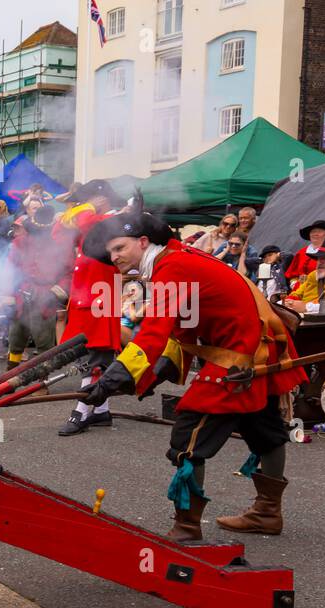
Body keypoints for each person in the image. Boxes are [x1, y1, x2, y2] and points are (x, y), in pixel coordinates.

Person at [80, 211, 306, 539]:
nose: (114, 258)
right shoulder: (175, 257)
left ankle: (186, 526)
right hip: (254, 344)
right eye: (110, 253)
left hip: (242, 353)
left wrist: (116, 376)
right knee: (265, 430)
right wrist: (152, 373)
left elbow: (153, 331)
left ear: (143, 242)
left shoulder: (172, 267)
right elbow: (180, 326)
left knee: (187, 439)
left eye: (119, 248)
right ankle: (268, 514)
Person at [54, 180, 123, 435]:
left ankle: (81, 413)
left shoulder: (112, 219)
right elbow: (57, 232)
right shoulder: (93, 217)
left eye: (88, 198)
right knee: (87, 356)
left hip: (101, 298)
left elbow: (85, 222)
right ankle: (102, 410)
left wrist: (80, 210)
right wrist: (67, 216)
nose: (82, 203)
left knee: (96, 357)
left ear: (101, 199)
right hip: (85, 297)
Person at [6, 205, 66, 367]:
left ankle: (42, 382)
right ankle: (10, 374)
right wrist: (8, 294)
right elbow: (10, 269)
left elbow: (67, 272)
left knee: (44, 340)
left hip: (46, 295)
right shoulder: (20, 243)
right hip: (21, 292)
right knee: (16, 337)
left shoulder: (59, 247)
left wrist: (56, 292)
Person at [283, 236, 325, 317]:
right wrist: (289, 302)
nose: (319, 262)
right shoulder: (313, 275)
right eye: (318, 258)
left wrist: (307, 307)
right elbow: (297, 294)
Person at [285, 220, 325, 290]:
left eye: (319, 231)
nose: (315, 234)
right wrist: (296, 284)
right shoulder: (302, 252)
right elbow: (292, 276)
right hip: (300, 292)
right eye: (312, 232)